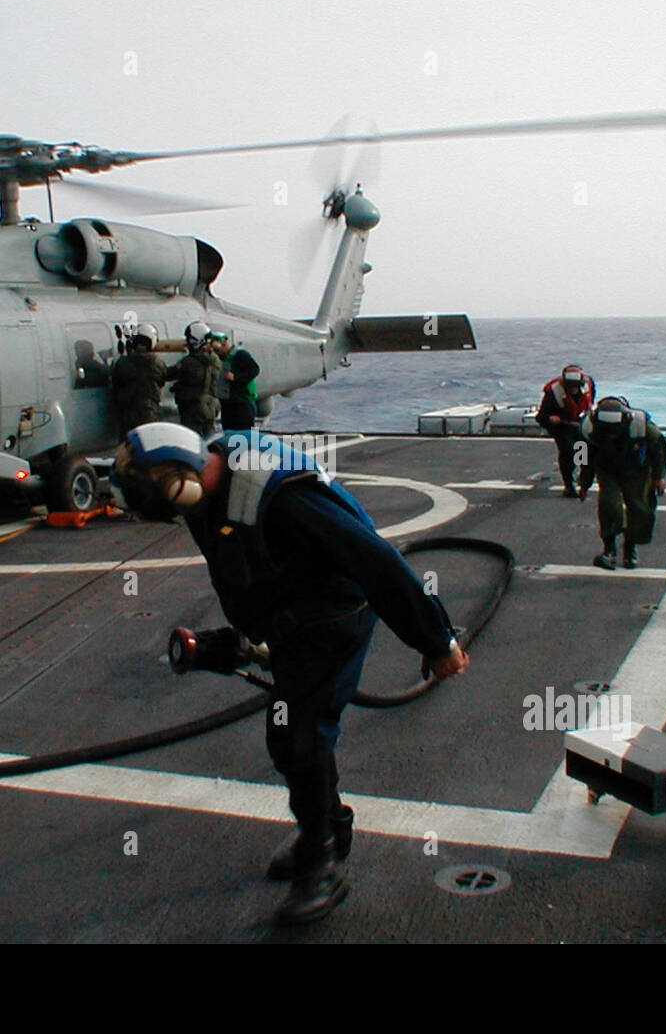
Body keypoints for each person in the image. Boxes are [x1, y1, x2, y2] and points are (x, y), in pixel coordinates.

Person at [109, 423, 469, 926]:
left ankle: (320, 867)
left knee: (296, 737)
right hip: (293, 614)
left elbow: (375, 559)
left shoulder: (279, 496)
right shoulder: (209, 485)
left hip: (331, 618)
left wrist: (436, 640)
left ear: (178, 481)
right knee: (299, 734)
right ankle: (328, 828)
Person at [577, 396, 666, 570]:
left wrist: (658, 477)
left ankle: (630, 548)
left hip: (637, 469)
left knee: (641, 508)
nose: (611, 434)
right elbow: (582, 457)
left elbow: (659, 449)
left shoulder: (641, 427)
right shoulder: (585, 430)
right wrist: (584, 483)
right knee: (609, 504)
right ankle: (609, 549)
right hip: (606, 469)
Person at [535, 364, 595, 497]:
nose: (573, 390)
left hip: (580, 423)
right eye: (570, 387)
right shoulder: (553, 393)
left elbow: (591, 401)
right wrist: (552, 418)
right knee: (568, 451)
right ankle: (569, 485)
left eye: (576, 387)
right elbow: (541, 417)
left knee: (583, 449)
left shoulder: (588, 385)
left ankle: (582, 478)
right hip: (562, 426)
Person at [109, 322, 167, 432]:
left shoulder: (122, 363)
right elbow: (162, 381)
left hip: (128, 413)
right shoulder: (158, 363)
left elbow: (116, 384)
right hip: (150, 413)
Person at [171, 321, 222, 436]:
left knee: (192, 440)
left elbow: (169, 373)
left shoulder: (189, 363)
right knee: (209, 438)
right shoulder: (214, 359)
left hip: (194, 409)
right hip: (211, 406)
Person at [213, 332, 260, 430]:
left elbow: (254, 370)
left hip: (242, 404)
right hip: (227, 404)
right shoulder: (218, 360)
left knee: (243, 434)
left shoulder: (239, 355)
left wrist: (236, 377)